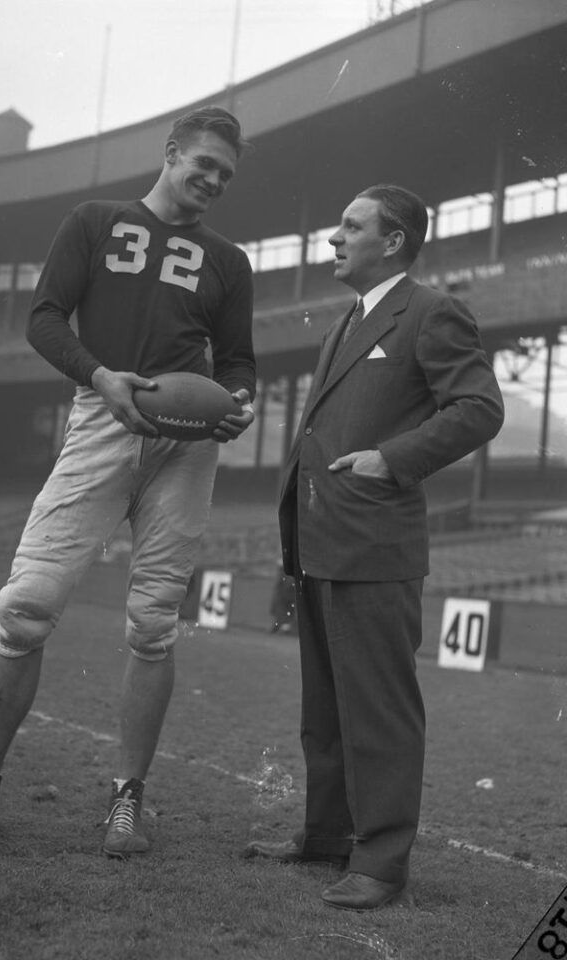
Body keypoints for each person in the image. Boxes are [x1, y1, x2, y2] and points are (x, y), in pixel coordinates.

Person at [0, 106, 256, 858]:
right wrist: (101, 376)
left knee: (152, 624)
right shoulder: (96, 219)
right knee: (26, 605)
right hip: (104, 416)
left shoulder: (229, 262)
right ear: (172, 153)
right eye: (203, 163)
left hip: (186, 443)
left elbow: (236, 360)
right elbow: (45, 319)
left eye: (225, 174)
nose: (213, 180)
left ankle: (128, 800)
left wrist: (234, 404)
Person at [244, 184, 504, 909]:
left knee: (379, 712)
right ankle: (327, 837)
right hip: (322, 540)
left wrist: (393, 458)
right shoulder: (347, 321)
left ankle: (381, 863)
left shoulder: (430, 311)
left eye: (350, 227)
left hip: (375, 542)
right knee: (324, 708)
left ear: (392, 241)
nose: (333, 238)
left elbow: (480, 408)